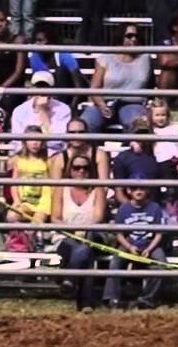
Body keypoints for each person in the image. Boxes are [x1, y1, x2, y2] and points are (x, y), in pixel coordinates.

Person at [52, 151, 107, 311]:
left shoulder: (97, 190)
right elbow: (55, 217)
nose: (81, 171)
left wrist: (84, 229)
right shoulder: (61, 189)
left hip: (92, 234)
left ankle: (69, 278)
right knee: (85, 253)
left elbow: (98, 217)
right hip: (65, 237)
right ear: (70, 169)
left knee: (84, 247)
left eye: (85, 168)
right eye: (76, 168)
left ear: (91, 170)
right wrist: (72, 230)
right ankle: (86, 303)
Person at [104, 177, 167, 310]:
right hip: (129, 242)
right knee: (115, 262)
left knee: (161, 264)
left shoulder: (155, 208)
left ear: (147, 190)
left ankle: (147, 299)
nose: (138, 191)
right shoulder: (124, 209)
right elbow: (119, 234)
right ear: (129, 191)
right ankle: (112, 298)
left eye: (142, 188)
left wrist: (149, 249)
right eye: (134, 188)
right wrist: (129, 247)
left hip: (150, 243)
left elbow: (159, 233)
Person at [82, 24, 152, 132]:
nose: (134, 39)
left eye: (136, 36)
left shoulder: (145, 58)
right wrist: (102, 105)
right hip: (105, 101)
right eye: (129, 36)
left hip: (133, 103)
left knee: (138, 124)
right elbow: (94, 87)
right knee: (86, 123)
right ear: (120, 37)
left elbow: (151, 84)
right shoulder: (106, 58)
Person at [6, 124, 53, 252]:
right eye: (31, 139)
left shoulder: (47, 160)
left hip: (42, 202)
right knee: (11, 216)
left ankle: (35, 243)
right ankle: (19, 243)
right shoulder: (19, 160)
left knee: (37, 222)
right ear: (25, 142)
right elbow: (14, 183)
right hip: (25, 201)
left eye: (38, 139)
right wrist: (16, 201)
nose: (35, 143)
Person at [9, 71, 72, 154]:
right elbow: (17, 143)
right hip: (26, 155)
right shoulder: (19, 111)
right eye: (38, 86)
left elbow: (56, 142)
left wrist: (43, 111)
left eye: (45, 87)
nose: (42, 91)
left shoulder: (63, 109)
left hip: (53, 154)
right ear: (32, 89)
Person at [30, 28, 88, 107]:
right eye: (36, 41)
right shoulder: (35, 57)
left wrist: (71, 108)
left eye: (40, 40)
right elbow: (37, 84)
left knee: (61, 72)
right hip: (50, 95)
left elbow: (79, 86)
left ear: (50, 41)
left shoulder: (64, 55)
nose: (37, 44)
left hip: (70, 95)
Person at [112, 117, 161, 204]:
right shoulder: (122, 158)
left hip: (154, 207)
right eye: (138, 133)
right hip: (130, 206)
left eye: (145, 133)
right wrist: (132, 208)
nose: (142, 137)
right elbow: (119, 193)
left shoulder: (158, 154)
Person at [49, 115, 111, 182]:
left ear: (86, 133)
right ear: (67, 134)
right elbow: (56, 187)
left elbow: (104, 184)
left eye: (81, 132)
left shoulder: (99, 155)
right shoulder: (60, 159)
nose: (76, 136)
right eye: (72, 133)